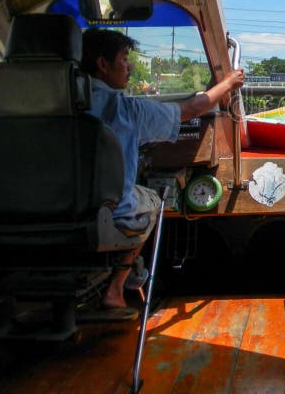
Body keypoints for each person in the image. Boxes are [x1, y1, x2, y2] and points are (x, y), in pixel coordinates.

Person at [80, 28, 245, 311]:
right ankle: (117, 287)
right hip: (107, 213)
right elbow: (191, 109)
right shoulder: (126, 110)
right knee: (153, 200)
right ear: (102, 64)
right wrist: (228, 83)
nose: (130, 66)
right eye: (124, 59)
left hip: (33, 214)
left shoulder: (31, 110)